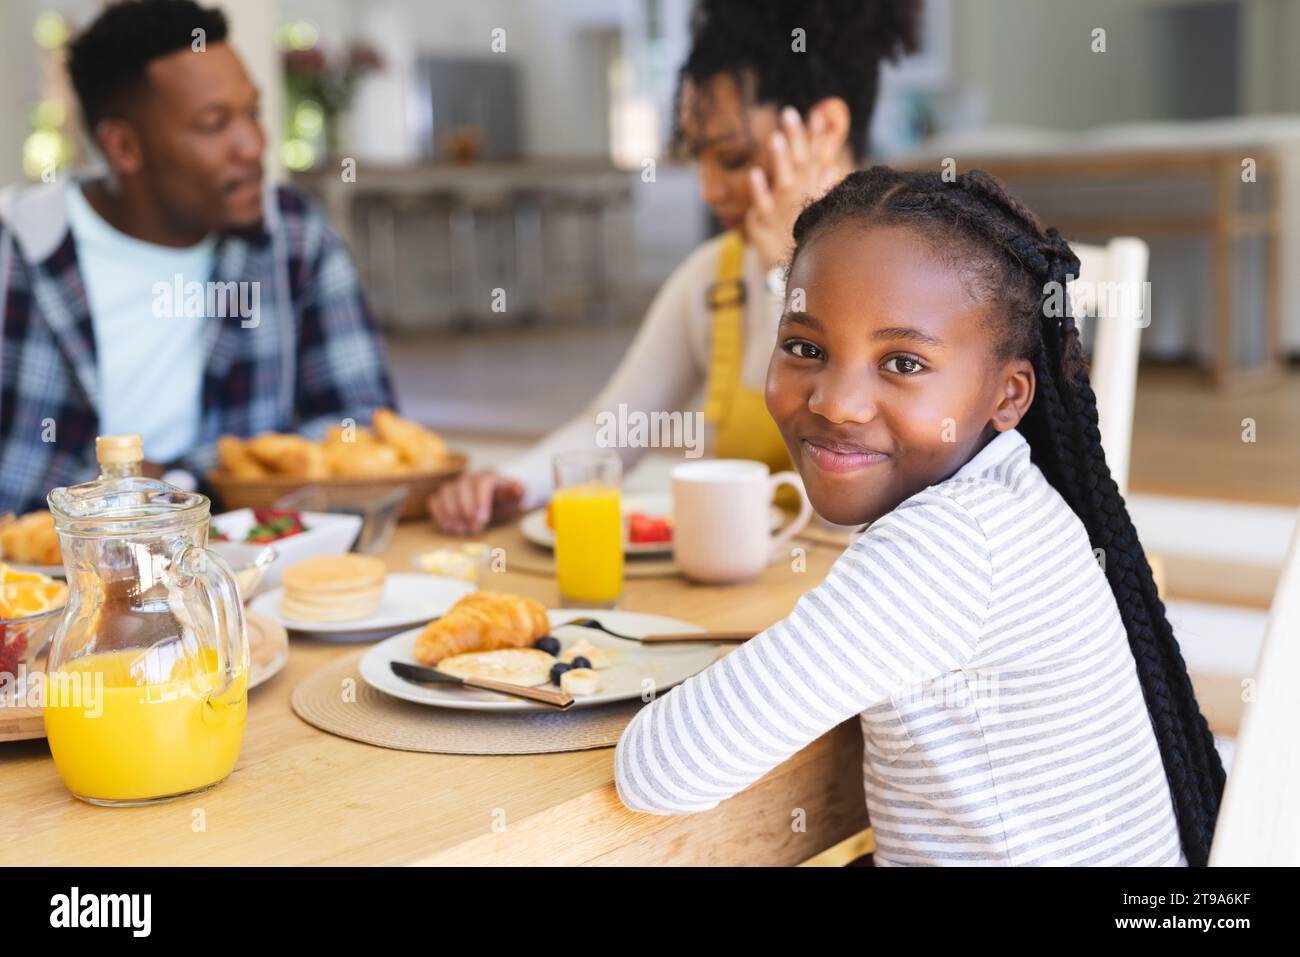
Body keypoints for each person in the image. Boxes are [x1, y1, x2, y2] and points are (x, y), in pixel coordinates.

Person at [615, 167, 1226, 867]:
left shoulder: (949, 546)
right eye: (805, 348)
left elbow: (660, 767)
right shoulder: (1012, 499)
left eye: (902, 361)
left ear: (1008, 395)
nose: (837, 402)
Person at [429, 0, 919, 533]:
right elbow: (616, 428)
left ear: (823, 128)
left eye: (732, 158)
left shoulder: (915, 277)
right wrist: (516, 481)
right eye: (698, 158)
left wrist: (788, 271)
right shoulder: (715, 276)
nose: (709, 190)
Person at [0, 0, 393, 513]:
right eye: (214, 124)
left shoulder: (293, 237)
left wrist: (179, 478)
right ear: (123, 147)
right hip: (32, 583)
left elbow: (364, 426)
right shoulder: (19, 250)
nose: (253, 145)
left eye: (252, 113)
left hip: (230, 575)